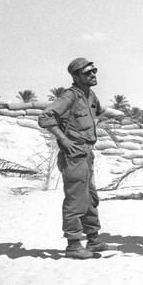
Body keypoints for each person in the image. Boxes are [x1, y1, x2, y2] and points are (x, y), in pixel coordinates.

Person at [38, 57, 127, 258]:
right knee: (76, 199)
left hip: (87, 154)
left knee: (90, 198)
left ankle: (93, 240)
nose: (93, 75)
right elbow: (45, 117)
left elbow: (100, 110)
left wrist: (117, 114)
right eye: (87, 73)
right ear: (76, 76)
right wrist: (63, 139)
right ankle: (73, 245)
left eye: (94, 71)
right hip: (74, 155)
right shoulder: (70, 96)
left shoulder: (89, 95)